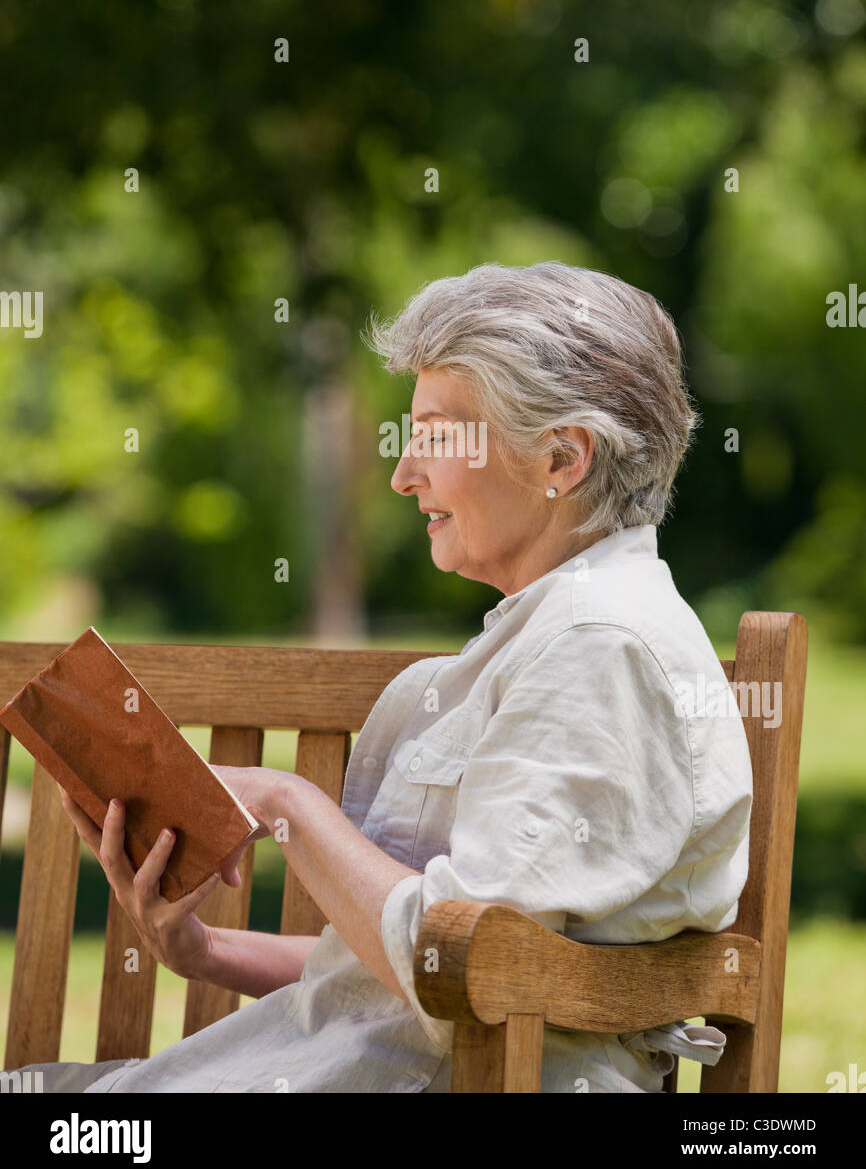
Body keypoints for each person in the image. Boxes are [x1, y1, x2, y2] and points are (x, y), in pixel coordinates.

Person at [26, 261, 752, 1092]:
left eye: (438, 437)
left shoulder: (603, 649)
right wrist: (202, 949)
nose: (404, 475)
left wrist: (283, 800)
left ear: (562, 457)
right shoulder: (555, 637)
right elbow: (402, 980)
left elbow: (467, 969)